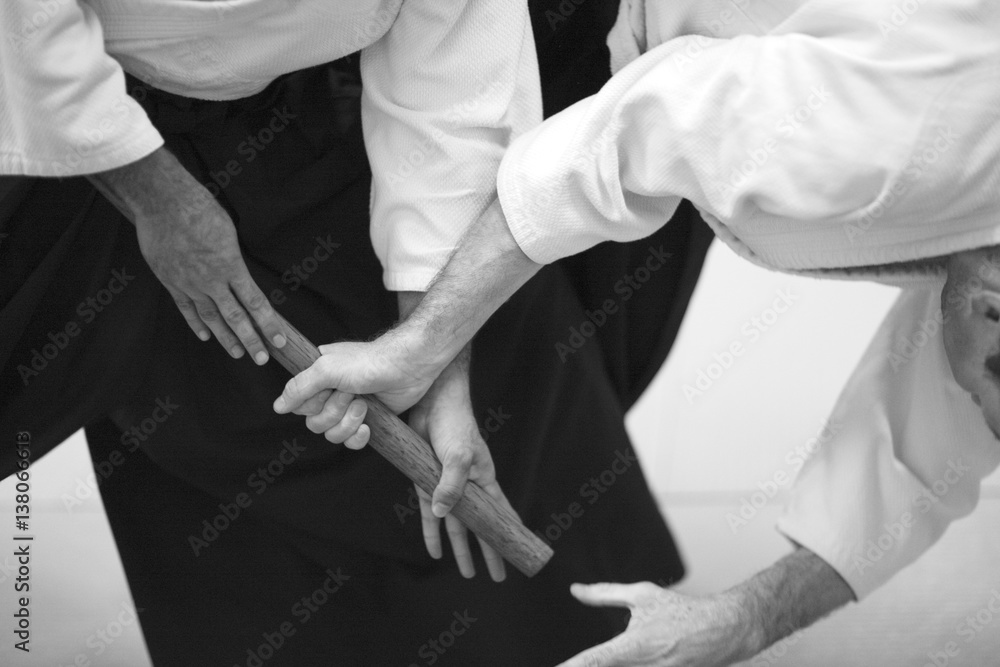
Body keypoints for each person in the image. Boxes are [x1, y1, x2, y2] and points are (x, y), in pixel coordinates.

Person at [274, 0, 1000, 664]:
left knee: (573, 357)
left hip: (676, 87)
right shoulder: (915, 131)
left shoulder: (974, 269)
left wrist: (743, 619)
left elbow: (926, 451)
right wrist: (424, 339)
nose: (974, 399)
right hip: (568, 34)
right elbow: (643, 130)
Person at [0, 1, 715, 664]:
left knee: (490, 391)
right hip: (78, 123)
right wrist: (156, 194)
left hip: (311, 116)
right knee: (199, 424)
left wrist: (436, 354)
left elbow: (451, 103)